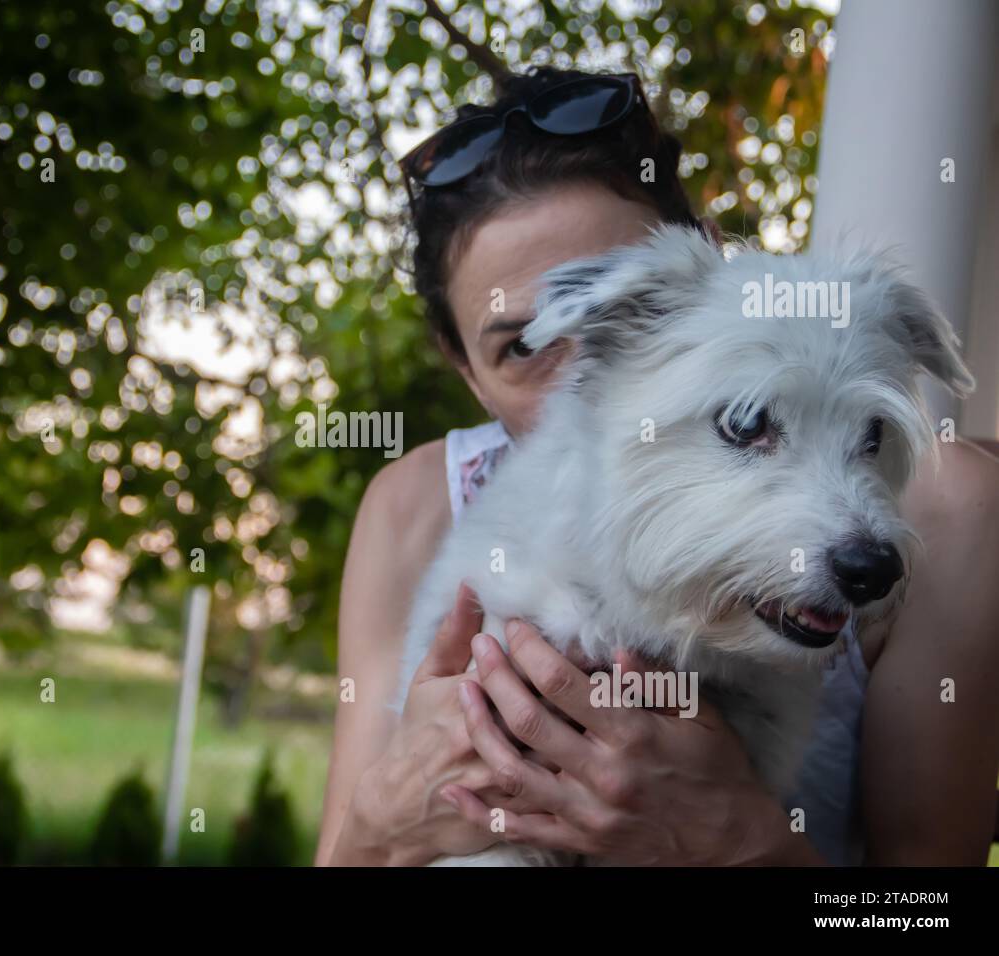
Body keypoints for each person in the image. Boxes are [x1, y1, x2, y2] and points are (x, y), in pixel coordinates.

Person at [315, 67, 999, 866]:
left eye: (629, 318)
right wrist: (388, 818)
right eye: (522, 347)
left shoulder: (952, 515)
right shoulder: (416, 512)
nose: (584, 382)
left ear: (711, 259)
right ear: (463, 369)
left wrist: (742, 840)